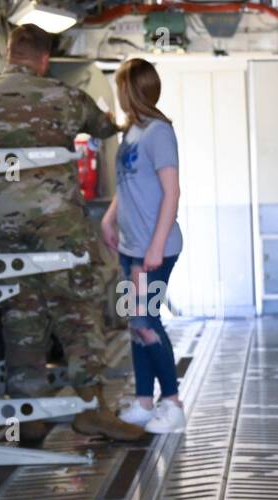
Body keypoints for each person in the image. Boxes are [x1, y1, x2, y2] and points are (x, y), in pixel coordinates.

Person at [0, 24, 146, 442]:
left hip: (0, 240)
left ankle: (28, 417)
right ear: (45, 58)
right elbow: (106, 129)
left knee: (20, 320)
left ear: (10, 53)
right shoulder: (64, 97)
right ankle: (92, 409)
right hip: (59, 236)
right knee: (79, 316)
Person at [101, 58, 186, 434]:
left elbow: (172, 192)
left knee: (147, 322)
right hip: (132, 245)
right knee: (136, 324)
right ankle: (143, 402)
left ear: (132, 89)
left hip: (156, 248)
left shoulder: (158, 133)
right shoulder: (131, 132)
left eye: (121, 87)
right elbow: (127, 185)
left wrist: (155, 247)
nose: (119, 95)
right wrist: (108, 217)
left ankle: (172, 404)